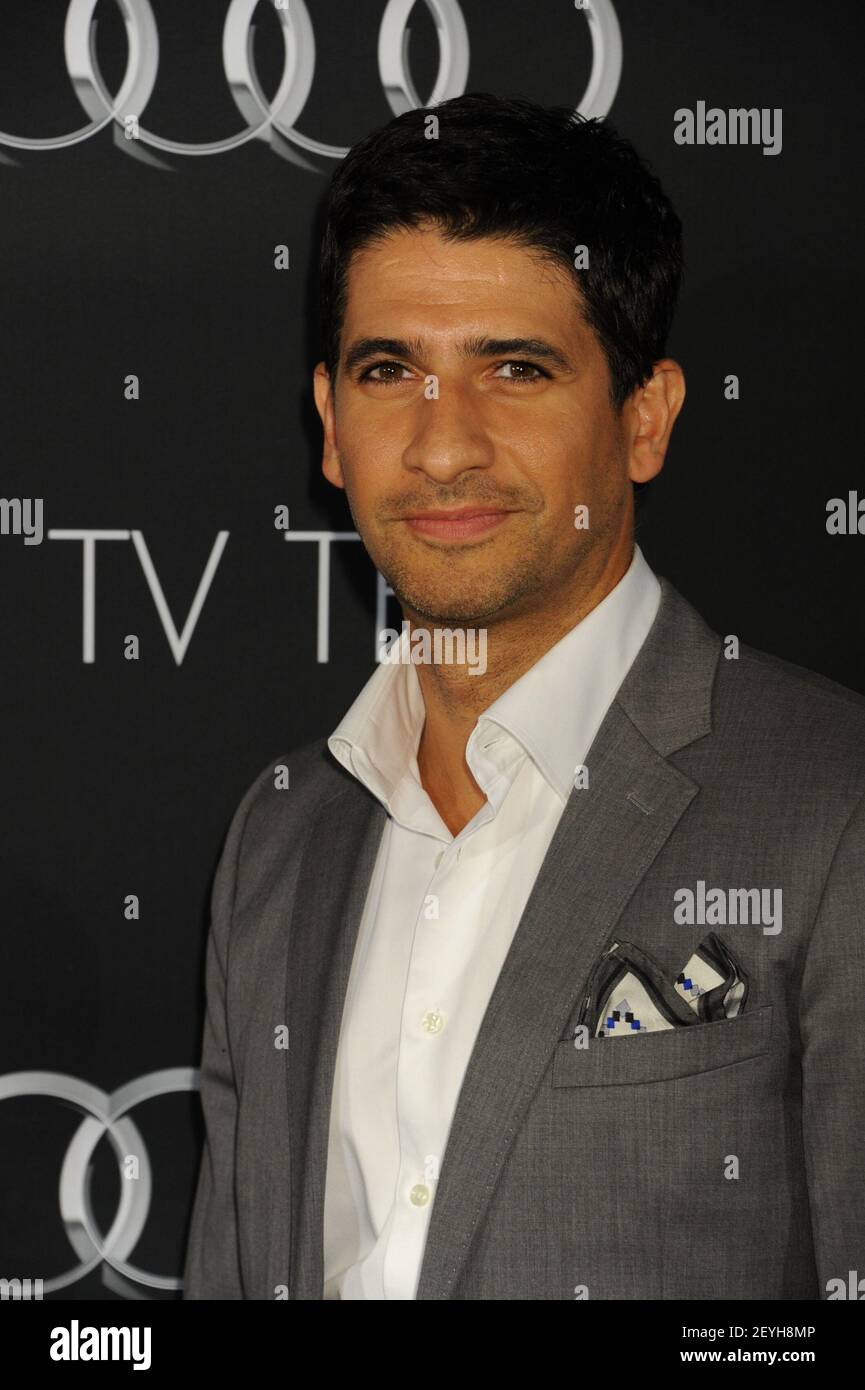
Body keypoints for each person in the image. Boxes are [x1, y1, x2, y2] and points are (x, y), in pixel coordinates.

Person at [183, 93, 865, 1300]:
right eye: (391, 370)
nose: (445, 446)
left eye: (515, 367)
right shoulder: (279, 837)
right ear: (331, 426)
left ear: (643, 420)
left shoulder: (834, 805)